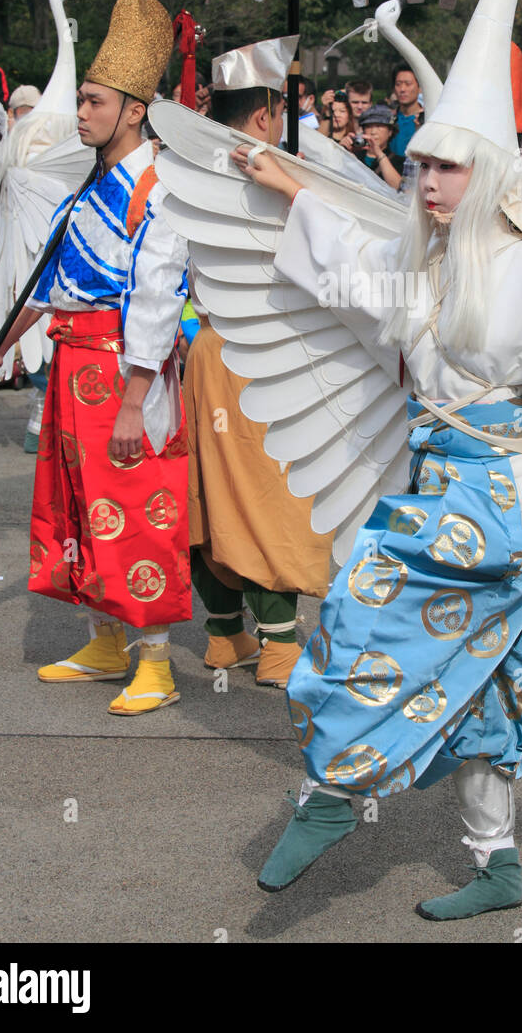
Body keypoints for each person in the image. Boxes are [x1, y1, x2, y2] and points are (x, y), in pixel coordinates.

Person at [230, 84, 522, 918]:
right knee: (486, 684)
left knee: (356, 611)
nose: (426, 181)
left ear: (492, 176)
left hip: (502, 495)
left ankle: (333, 790)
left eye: (446, 166)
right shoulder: (424, 265)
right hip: (450, 485)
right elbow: (347, 266)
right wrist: (295, 188)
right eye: (419, 165)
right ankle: (498, 866)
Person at [0, 0, 192, 716]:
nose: (81, 113)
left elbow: (157, 299)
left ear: (133, 110)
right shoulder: (90, 186)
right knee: (75, 510)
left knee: (137, 506)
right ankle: (103, 639)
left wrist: (133, 399)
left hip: (129, 371)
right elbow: (51, 281)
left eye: (94, 102)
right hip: (71, 365)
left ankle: (154, 660)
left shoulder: (159, 188)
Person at [183, 41, 333, 687]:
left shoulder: (186, 165)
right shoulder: (279, 172)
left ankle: (224, 633)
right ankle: (277, 645)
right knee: (275, 497)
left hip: (204, 349)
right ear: (270, 113)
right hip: (265, 354)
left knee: (209, 496)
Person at [358, 105, 404, 190]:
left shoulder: (399, 161)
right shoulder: (356, 155)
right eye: (368, 126)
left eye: (379, 126)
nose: (373, 132)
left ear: (390, 131)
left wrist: (379, 153)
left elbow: (399, 188)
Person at [389, 63, 423, 157]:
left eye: (408, 84)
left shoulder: (426, 120)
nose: (402, 89)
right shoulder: (387, 119)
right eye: (398, 84)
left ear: (419, 87)